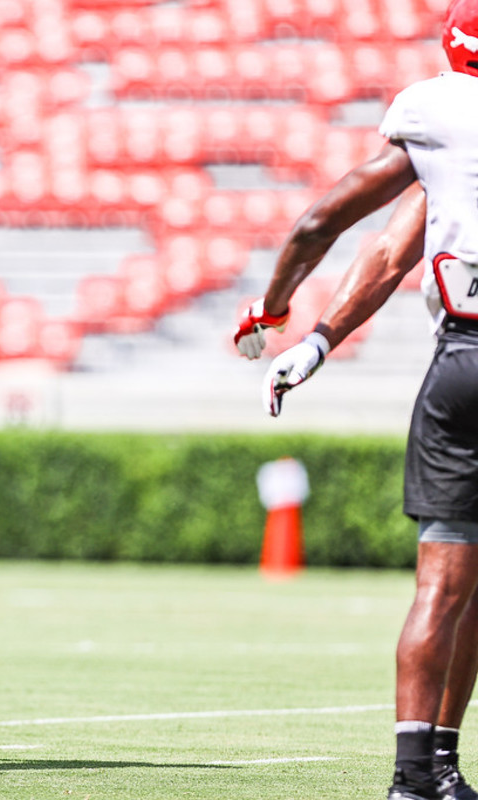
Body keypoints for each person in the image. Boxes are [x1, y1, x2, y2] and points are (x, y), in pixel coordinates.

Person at [243, 2, 478, 797]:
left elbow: (332, 224)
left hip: (466, 365)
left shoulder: (438, 113)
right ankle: (436, 766)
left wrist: (284, 319)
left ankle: (419, 775)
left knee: (447, 581)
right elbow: (391, 248)